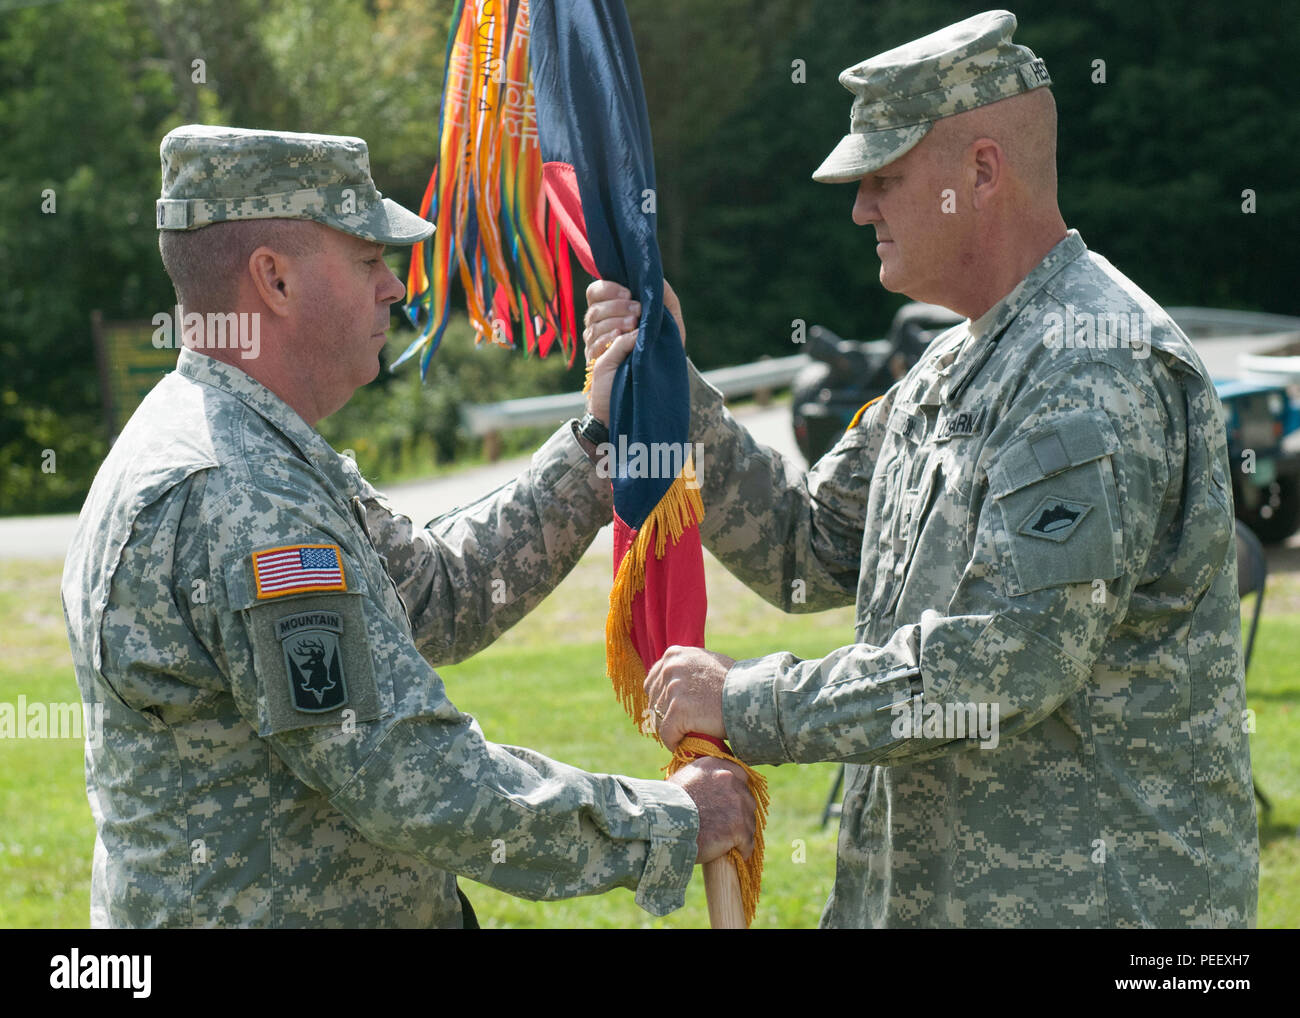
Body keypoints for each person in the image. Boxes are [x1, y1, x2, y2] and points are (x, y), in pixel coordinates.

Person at [584, 10, 1257, 927]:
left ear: (982, 172)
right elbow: (807, 547)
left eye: (886, 178)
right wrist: (669, 388)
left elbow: (1003, 664)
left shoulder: (1094, 367)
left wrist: (748, 700)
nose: (861, 207)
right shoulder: (948, 366)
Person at [61, 124, 755, 928]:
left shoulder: (242, 444)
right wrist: (665, 822)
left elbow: (441, 592)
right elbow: (409, 779)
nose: (394, 287)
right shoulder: (240, 491)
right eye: (368, 260)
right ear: (274, 281)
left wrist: (599, 441)